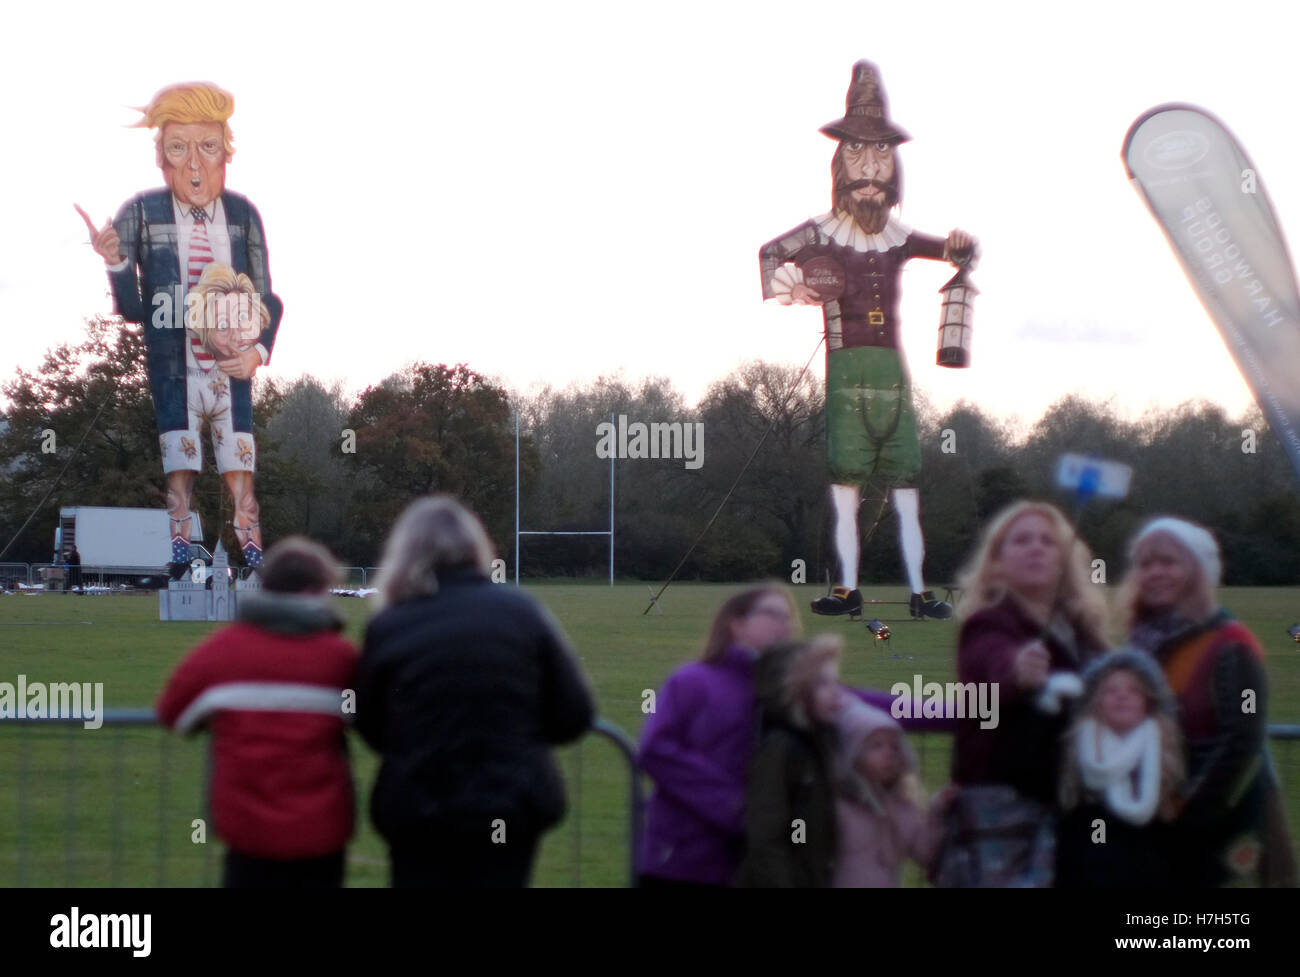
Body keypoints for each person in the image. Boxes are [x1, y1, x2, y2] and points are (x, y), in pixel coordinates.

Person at [759, 60, 978, 621]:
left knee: (906, 485)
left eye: (880, 155)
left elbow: (947, 250)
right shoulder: (820, 233)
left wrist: (959, 247)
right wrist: (803, 290)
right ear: (840, 162)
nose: (870, 167)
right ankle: (846, 587)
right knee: (845, 485)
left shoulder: (898, 235)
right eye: (857, 153)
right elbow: (771, 256)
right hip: (845, 368)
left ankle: (919, 591)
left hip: (891, 370)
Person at [78, 81, 282, 573]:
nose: (193, 165)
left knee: (239, 465)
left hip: (230, 372)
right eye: (178, 148)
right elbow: (132, 310)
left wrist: (257, 353)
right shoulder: (141, 214)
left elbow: (268, 297)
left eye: (207, 147)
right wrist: (118, 264)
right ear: (161, 158)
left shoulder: (242, 215)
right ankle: (181, 549)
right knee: (181, 464)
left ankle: (251, 552)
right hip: (175, 370)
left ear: (225, 153)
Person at [356, 496, 595, 888]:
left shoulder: (390, 624)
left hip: (419, 810)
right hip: (509, 804)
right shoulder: (522, 611)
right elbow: (575, 713)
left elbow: (369, 722)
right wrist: (517, 734)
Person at [155, 536, 357, 888]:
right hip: (321, 831)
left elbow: (174, 712)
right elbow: (374, 721)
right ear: (317, 588)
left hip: (247, 832)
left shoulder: (221, 652)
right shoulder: (341, 658)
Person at [934, 500, 1109, 887]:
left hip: (1074, 809)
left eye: (1048, 541)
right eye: (1022, 540)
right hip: (1002, 817)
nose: (1036, 547)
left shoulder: (1084, 632)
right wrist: (1018, 671)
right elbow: (992, 664)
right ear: (997, 562)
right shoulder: (986, 624)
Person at [1121, 517, 1295, 887]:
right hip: (1155, 821)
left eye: (1168, 562)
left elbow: (1242, 741)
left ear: (1199, 569)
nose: (1155, 573)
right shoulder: (1139, 643)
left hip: (1223, 824)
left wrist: (1187, 811)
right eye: (1146, 564)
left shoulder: (1231, 643)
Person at [637, 585, 798, 886]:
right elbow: (655, 749)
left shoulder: (791, 691)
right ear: (736, 624)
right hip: (680, 861)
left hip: (755, 866)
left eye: (787, 617)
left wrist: (916, 710)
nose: (783, 624)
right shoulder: (693, 681)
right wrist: (735, 806)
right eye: (771, 614)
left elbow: (858, 703)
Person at [1055, 648, 1184, 888]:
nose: (1122, 697)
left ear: (1149, 701)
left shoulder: (1163, 753)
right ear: (1095, 702)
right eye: (1110, 691)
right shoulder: (1077, 752)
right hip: (1085, 864)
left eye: (1134, 691)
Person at [735, 635, 845, 887]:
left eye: (836, 682)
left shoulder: (821, 740)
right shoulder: (781, 748)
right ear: (795, 691)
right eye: (822, 684)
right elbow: (766, 838)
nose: (836, 693)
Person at [832, 698, 947, 887]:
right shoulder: (840, 808)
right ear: (853, 754)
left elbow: (926, 853)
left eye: (894, 747)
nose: (888, 754)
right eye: (876, 746)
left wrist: (937, 810)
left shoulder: (903, 808)